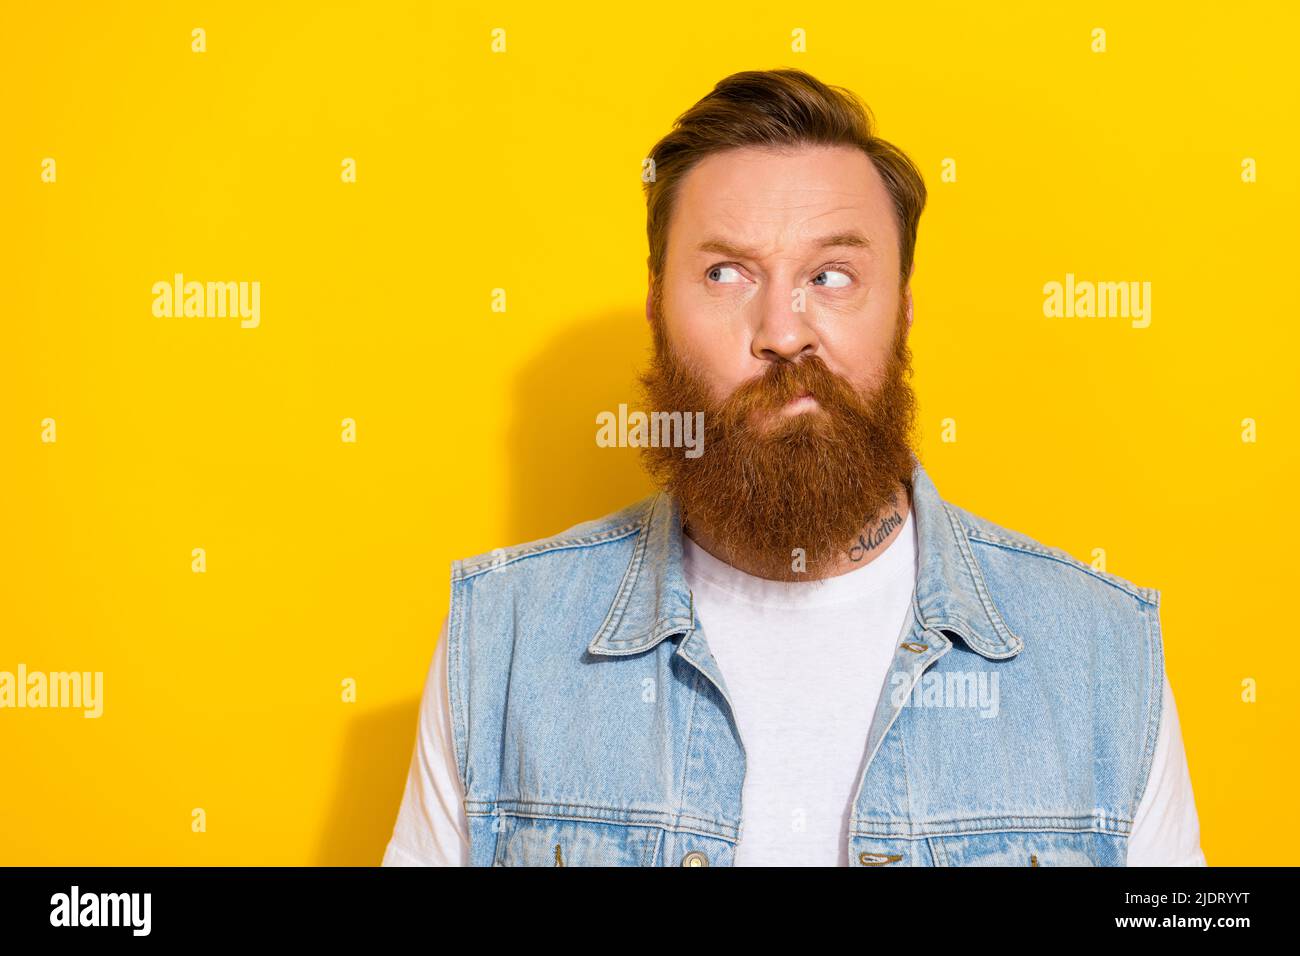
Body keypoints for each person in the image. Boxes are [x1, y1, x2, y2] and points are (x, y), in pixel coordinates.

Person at [383, 68, 1206, 867]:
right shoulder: (503, 640)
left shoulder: (1100, 656)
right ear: (655, 307)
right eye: (724, 273)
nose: (783, 328)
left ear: (905, 308)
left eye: (833, 276)